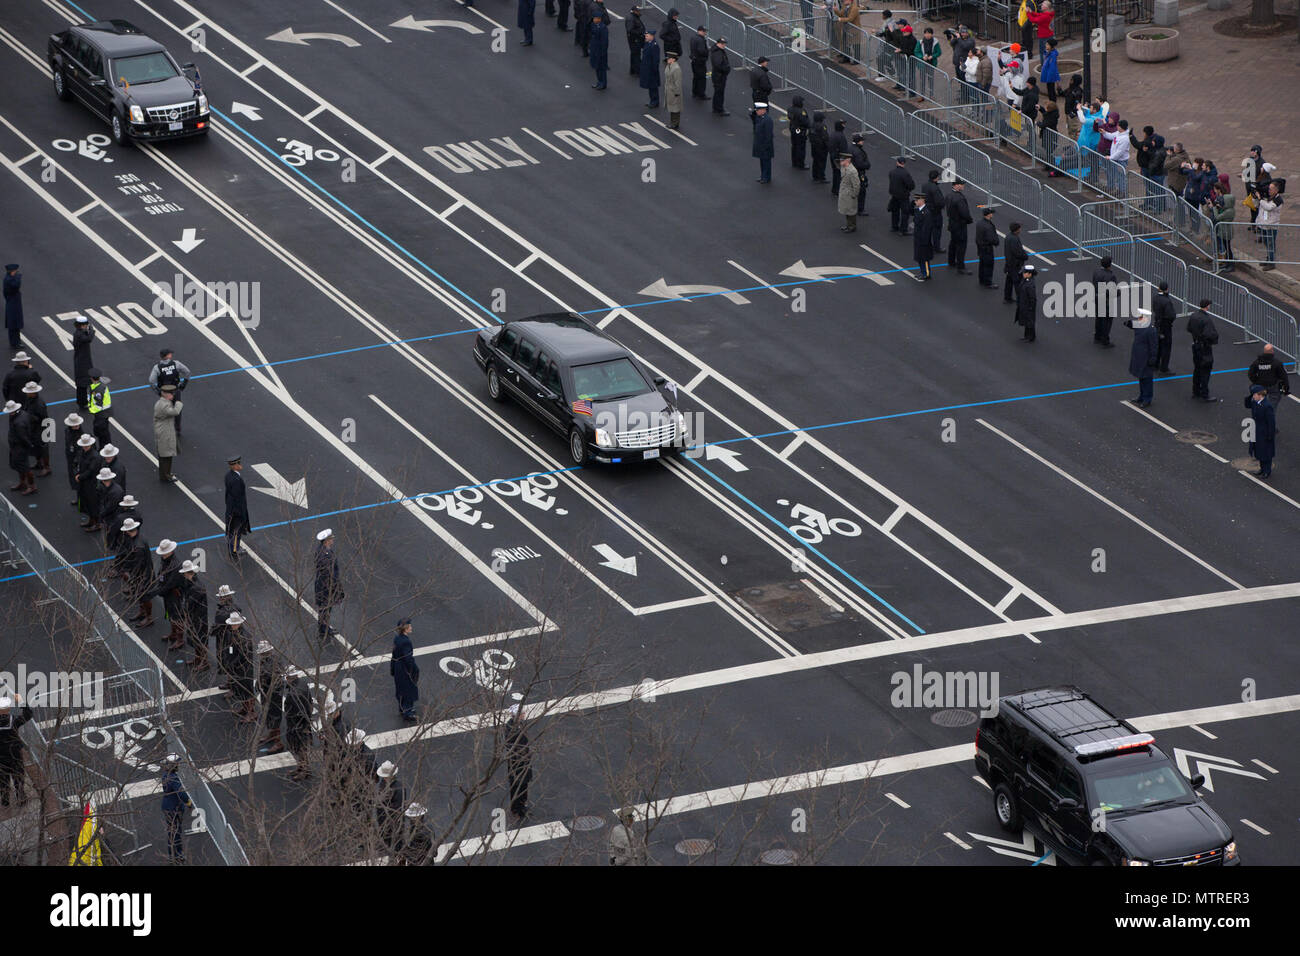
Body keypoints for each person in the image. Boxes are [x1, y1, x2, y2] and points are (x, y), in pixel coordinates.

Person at [148, 539, 186, 649]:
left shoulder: (175, 565)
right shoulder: (165, 561)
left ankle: (180, 639)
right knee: (169, 613)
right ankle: (173, 633)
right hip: (168, 594)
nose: (163, 555)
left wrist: (155, 592)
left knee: (177, 616)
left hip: (174, 595)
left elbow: (170, 584)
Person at [223, 612, 258, 722]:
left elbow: (243, 656)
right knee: (240, 690)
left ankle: (251, 712)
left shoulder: (245, 637)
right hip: (236, 667)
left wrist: (232, 663)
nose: (233, 626)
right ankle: (245, 708)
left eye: (235, 624)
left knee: (247, 690)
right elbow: (230, 648)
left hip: (245, 668)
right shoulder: (232, 633)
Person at [0, 693, 33, 807]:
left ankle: (5, 800)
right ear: (8, 709)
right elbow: (28, 714)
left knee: (3, 779)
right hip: (14, 754)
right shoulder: (13, 721)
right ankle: (21, 798)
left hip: (0, 756)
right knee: (18, 777)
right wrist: (22, 702)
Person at [149, 348, 190, 438]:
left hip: (164, 392)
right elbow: (187, 372)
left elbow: (151, 381)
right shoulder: (176, 363)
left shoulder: (157, 367)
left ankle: (166, 429)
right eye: (170, 354)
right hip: (175, 390)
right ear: (167, 356)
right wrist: (184, 384)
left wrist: (159, 392)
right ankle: (177, 429)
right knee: (177, 410)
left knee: (164, 410)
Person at [282, 667, 314, 781]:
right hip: (304, 723)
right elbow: (310, 702)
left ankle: (305, 770)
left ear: (288, 677)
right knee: (302, 749)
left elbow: (291, 713)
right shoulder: (303, 684)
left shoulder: (293, 694)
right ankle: (301, 767)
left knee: (300, 749)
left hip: (297, 726)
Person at [120, 519, 154, 625]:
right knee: (140, 595)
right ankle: (142, 611)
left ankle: (148, 617)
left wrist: (131, 576)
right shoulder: (139, 538)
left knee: (144, 596)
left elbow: (137, 564)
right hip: (144, 573)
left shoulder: (138, 546)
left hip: (143, 576)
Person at [159, 754, 192, 864]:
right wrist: (188, 802)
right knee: (176, 833)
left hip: (167, 806)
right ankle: (177, 856)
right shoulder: (173, 778)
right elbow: (181, 793)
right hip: (174, 808)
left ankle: (173, 855)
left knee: (172, 832)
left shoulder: (165, 775)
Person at [1187, 299, 1220, 402]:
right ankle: (1205, 393)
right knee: (1205, 371)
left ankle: (1195, 391)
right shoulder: (1206, 320)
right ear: (1207, 306)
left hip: (1196, 345)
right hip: (1204, 348)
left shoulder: (1194, 316)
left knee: (1197, 369)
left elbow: (1189, 328)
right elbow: (1209, 334)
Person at [1125, 308, 1159, 407]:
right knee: (1141, 377)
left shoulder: (1151, 330)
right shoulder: (1140, 325)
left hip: (1146, 358)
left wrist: (1153, 357)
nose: (1138, 319)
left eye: (1140, 317)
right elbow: (1129, 324)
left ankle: (1147, 398)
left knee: (1147, 378)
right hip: (1139, 356)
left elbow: (1154, 345)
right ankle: (1142, 396)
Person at [315, 527, 344, 642]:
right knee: (325, 609)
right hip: (325, 586)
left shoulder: (325, 550)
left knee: (327, 609)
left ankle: (324, 627)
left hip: (326, 585)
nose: (332, 540)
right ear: (326, 540)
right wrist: (334, 586)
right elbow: (328, 573)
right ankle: (323, 630)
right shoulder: (324, 554)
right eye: (331, 538)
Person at [180, 560, 210, 671]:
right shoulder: (192, 584)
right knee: (195, 639)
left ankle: (204, 661)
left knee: (200, 640)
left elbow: (188, 603)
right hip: (195, 617)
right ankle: (198, 659)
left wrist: (184, 608)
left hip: (199, 618)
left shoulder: (196, 588)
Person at [6, 399, 38, 496]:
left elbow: (23, 437)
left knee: (25, 467)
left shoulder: (17, 423)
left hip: (19, 447)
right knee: (21, 466)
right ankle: (23, 482)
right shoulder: (23, 414)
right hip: (18, 446)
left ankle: (31, 486)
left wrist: (28, 444)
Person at [505, 708, 532, 821]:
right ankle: (517, 809)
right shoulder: (513, 728)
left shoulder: (517, 725)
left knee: (523, 784)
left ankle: (521, 805)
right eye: (522, 713)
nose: (524, 714)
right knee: (518, 784)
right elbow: (514, 745)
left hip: (522, 761)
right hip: (518, 762)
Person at [391, 617, 420, 722]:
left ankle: (402, 708)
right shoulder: (406, 642)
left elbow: (394, 654)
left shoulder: (397, 638)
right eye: (409, 626)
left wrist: (392, 668)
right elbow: (408, 658)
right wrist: (414, 670)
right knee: (408, 689)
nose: (411, 627)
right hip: (404, 668)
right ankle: (408, 712)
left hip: (398, 666)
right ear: (405, 629)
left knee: (400, 689)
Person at [1246, 385, 1277, 478]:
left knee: (1266, 453)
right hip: (1257, 431)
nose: (1253, 396)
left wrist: (1270, 435)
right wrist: (1250, 396)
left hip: (1264, 433)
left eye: (1254, 394)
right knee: (1259, 451)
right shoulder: (1255, 403)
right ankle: (1262, 468)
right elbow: (1247, 404)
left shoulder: (1267, 406)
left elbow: (1271, 422)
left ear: (1260, 395)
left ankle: (1267, 471)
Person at [1248, 344, 1291, 412]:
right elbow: (1284, 376)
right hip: (1273, 386)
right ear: (1272, 351)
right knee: (1272, 405)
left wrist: (1256, 381)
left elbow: (1250, 374)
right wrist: (1286, 388)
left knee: (1258, 402)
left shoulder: (1257, 362)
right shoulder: (1277, 363)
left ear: (1264, 351)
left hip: (1260, 386)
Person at [19, 381, 49, 477]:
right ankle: (39, 463)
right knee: (36, 446)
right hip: (33, 428)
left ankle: (47, 467)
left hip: (41, 428)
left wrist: (29, 417)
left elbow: (43, 418)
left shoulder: (39, 404)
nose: (27, 393)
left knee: (43, 447)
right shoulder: (29, 399)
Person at [224, 455, 251, 559]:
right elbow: (237, 497)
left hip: (231, 509)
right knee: (236, 531)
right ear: (234, 466)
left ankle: (234, 547)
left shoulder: (229, 476)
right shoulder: (236, 480)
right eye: (238, 463)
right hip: (236, 511)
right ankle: (234, 550)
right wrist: (240, 512)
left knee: (233, 530)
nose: (240, 465)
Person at [153, 384, 182, 482]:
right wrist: (178, 403)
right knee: (165, 455)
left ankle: (166, 474)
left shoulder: (165, 402)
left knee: (167, 454)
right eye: (171, 393)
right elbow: (175, 412)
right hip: (164, 432)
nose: (172, 395)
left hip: (166, 430)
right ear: (165, 394)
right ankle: (165, 476)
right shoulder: (163, 405)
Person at [946, 179, 973, 274]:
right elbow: (964, 213)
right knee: (961, 245)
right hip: (960, 225)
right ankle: (961, 266)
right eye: (961, 184)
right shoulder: (959, 198)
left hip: (952, 223)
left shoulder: (949, 195)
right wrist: (969, 220)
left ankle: (951, 261)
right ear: (956, 185)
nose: (963, 186)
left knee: (953, 242)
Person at [1091, 255, 1118, 348]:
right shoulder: (1111, 276)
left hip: (1098, 297)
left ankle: (1097, 337)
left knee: (1099, 318)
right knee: (1107, 321)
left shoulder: (1096, 272)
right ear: (1109, 265)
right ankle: (1105, 340)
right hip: (1106, 301)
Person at [1256, 180, 1283, 270]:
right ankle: (1268, 259)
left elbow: (1268, 207)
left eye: (1271, 189)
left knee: (1270, 244)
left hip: (1271, 226)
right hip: (1264, 224)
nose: (1269, 191)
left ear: (1276, 190)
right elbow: (1259, 206)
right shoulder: (1269, 197)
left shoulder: (1278, 200)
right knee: (1266, 242)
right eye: (1269, 189)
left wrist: (1260, 199)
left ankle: (1271, 263)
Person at [1151, 280, 1177, 374]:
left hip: (1158, 323)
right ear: (1167, 289)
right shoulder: (1167, 301)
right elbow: (1171, 315)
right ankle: (1164, 368)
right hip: (1165, 326)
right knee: (1166, 346)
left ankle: (1155, 364)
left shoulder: (1156, 298)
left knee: (1157, 345)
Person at [887, 156, 915, 235]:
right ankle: (903, 230)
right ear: (904, 164)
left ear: (897, 162)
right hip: (903, 196)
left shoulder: (892, 172)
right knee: (905, 213)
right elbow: (911, 185)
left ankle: (894, 226)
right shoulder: (905, 173)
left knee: (895, 211)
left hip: (894, 195)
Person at [72, 314, 94, 408]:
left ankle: (82, 401)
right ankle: (83, 402)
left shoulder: (80, 332)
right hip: (82, 362)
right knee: (82, 383)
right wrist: (92, 331)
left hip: (82, 360)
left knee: (83, 383)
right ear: (82, 325)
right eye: (85, 325)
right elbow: (88, 339)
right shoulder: (79, 334)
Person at [62, 412, 85, 505]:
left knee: (79, 479)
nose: (76, 426)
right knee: (74, 478)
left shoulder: (81, 435)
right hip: (71, 458)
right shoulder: (67, 432)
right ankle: (79, 497)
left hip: (78, 459)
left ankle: (82, 499)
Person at [86, 368, 112, 447]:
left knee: (102, 434)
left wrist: (91, 409)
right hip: (104, 413)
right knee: (104, 433)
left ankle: (104, 449)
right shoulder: (101, 386)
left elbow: (98, 404)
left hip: (101, 414)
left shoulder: (97, 390)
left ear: (91, 378)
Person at [975, 205, 1000, 287]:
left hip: (980, 246)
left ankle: (981, 279)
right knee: (988, 265)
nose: (992, 214)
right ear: (988, 215)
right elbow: (991, 238)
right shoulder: (988, 226)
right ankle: (988, 282)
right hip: (987, 248)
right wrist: (996, 242)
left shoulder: (979, 223)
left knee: (982, 264)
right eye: (991, 213)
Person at [914, 27, 941, 102]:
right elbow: (916, 51)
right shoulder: (920, 42)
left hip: (931, 63)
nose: (927, 35)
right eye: (926, 33)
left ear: (932, 34)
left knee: (931, 79)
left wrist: (932, 56)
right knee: (922, 79)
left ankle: (931, 95)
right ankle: (922, 95)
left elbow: (939, 52)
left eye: (929, 33)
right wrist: (922, 57)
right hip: (922, 63)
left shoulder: (935, 42)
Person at [912, 194, 935, 280]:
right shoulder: (918, 210)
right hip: (918, 238)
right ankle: (922, 272)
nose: (915, 202)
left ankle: (926, 273)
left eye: (917, 200)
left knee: (924, 257)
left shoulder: (926, 213)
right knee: (919, 257)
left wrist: (924, 241)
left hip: (923, 240)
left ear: (922, 200)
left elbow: (927, 229)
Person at [922, 168, 945, 252]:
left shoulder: (924, 185)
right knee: (937, 230)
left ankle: (927, 246)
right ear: (936, 178)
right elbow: (939, 202)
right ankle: (937, 247)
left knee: (928, 229)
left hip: (927, 210)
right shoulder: (935, 188)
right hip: (935, 212)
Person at [1003, 222, 1027, 303]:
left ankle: (1007, 297)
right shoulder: (1015, 239)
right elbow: (1017, 252)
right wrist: (1025, 256)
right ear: (1017, 230)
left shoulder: (1008, 237)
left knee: (1009, 281)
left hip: (1009, 263)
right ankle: (1020, 299)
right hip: (1015, 264)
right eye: (1019, 228)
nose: (1020, 230)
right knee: (1017, 282)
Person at [837, 154, 860, 233]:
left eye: (842, 160)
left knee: (851, 210)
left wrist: (854, 194)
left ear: (848, 160)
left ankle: (852, 226)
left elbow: (856, 185)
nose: (840, 161)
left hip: (849, 193)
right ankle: (848, 225)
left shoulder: (852, 171)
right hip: (844, 192)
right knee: (846, 209)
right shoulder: (844, 167)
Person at [1015, 263, 1038, 341]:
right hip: (1024, 305)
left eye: (1024, 272)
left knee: (1029, 321)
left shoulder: (1030, 284)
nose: (1023, 274)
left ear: (1029, 274)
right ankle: (1027, 336)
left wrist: (1030, 307)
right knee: (1027, 321)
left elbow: (1032, 298)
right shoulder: (1026, 281)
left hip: (1028, 306)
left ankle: (1031, 337)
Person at [848, 133, 871, 216]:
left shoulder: (850, 148)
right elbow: (860, 164)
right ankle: (860, 209)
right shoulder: (858, 151)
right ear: (858, 142)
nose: (863, 142)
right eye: (862, 141)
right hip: (858, 173)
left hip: (850, 172)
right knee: (861, 191)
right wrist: (867, 164)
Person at [752, 102, 774, 184]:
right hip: (760, 144)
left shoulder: (767, 120)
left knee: (766, 162)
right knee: (762, 162)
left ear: (763, 110)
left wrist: (766, 146)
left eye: (758, 110)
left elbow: (768, 135)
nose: (756, 111)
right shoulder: (760, 117)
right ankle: (763, 176)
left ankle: (766, 177)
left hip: (765, 145)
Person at [709, 37, 731, 115]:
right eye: (722, 44)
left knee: (718, 92)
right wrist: (725, 70)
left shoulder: (718, 51)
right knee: (719, 92)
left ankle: (717, 107)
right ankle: (719, 109)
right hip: (719, 76)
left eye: (724, 44)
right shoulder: (718, 53)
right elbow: (718, 65)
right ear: (718, 43)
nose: (724, 45)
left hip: (718, 75)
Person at [3, 264, 22, 352]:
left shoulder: (9, 278)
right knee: (13, 323)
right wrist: (18, 278)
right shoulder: (9, 279)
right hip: (12, 304)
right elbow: (16, 285)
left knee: (16, 323)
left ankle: (17, 341)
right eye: (15, 271)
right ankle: (14, 343)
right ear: (12, 271)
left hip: (14, 303)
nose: (16, 272)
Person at [639, 30, 661, 108]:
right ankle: (652, 100)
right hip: (647, 69)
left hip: (651, 70)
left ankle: (655, 101)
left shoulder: (654, 46)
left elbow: (656, 60)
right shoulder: (648, 43)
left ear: (652, 36)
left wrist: (654, 70)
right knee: (650, 86)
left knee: (653, 86)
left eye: (647, 36)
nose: (646, 37)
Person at [788, 96, 810, 169]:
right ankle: (801, 164)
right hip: (800, 130)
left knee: (794, 146)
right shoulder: (801, 111)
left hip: (793, 128)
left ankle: (794, 162)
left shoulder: (790, 109)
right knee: (800, 147)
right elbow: (806, 122)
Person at [589, 9, 609, 90]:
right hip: (594, 50)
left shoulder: (603, 28)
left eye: (595, 18)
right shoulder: (593, 25)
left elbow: (604, 42)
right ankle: (599, 81)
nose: (593, 19)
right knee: (597, 67)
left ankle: (603, 83)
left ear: (599, 19)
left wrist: (602, 53)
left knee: (602, 68)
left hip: (600, 51)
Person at [828, 120, 848, 195]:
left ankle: (835, 189)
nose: (844, 126)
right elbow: (844, 149)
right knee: (839, 174)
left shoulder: (833, 134)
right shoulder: (841, 136)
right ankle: (837, 190)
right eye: (843, 124)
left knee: (835, 173)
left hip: (833, 156)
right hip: (839, 157)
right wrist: (846, 160)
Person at [664, 50, 683, 129]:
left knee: (675, 107)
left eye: (669, 58)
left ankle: (675, 124)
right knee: (672, 107)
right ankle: (673, 122)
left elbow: (678, 82)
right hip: (669, 90)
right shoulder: (669, 66)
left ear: (673, 59)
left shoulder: (676, 68)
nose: (667, 59)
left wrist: (676, 93)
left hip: (673, 91)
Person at [688, 25, 709, 98]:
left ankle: (695, 92)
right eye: (704, 31)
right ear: (699, 31)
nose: (705, 33)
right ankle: (701, 94)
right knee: (702, 78)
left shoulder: (693, 37)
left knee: (696, 77)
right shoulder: (700, 40)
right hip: (700, 61)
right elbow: (701, 51)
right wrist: (707, 52)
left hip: (694, 60)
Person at [809, 110, 829, 183]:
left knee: (815, 161)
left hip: (814, 146)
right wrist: (828, 146)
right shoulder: (822, 126)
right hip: (821, 147)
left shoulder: (812, 125)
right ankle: (821, 177)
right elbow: (825, 137)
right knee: (822, 162)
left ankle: (815, 176)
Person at [624, 6, 644, 75]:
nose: (639, 12)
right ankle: (638, 71)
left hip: (635, 39)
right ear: (634, 11)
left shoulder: (633, 17)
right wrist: (639, 32)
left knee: (634, 55)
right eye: (638, 11)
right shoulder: (631, 18)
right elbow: (630, 30)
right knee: (636, 55)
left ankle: (633, 70)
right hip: (634, 40)